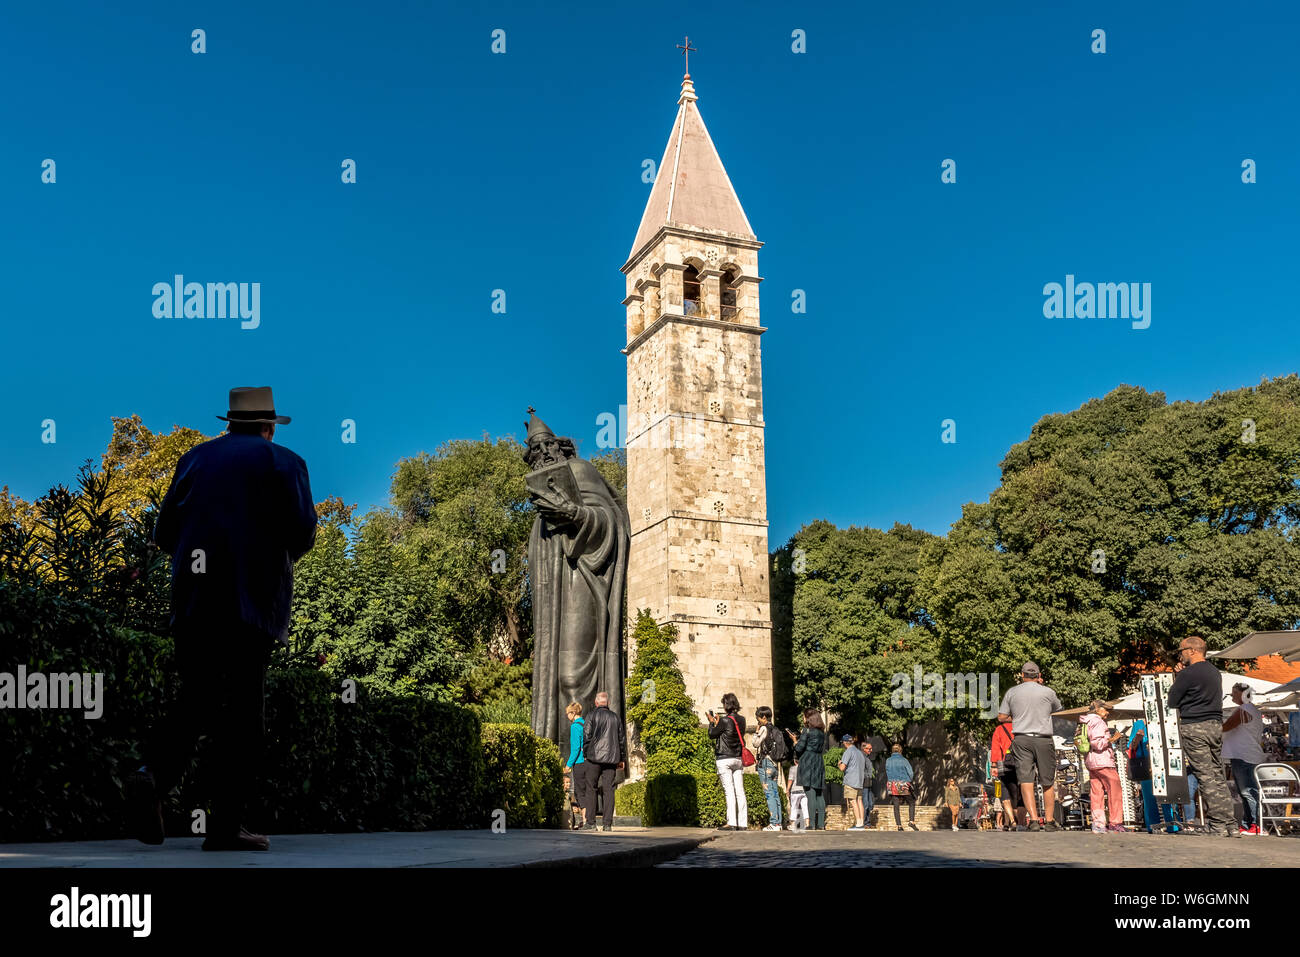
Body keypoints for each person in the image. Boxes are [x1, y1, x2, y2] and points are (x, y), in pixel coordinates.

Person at [126, 386, 317, 852]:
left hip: (195, 604)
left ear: (229, 423)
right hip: (253, 605)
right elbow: (303, 534)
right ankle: (225, 828)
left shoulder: (194, 459)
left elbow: (164, 531)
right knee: (244, 718)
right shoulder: (286, 463)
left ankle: (151, 776)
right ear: (269, 427)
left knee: (196, 701)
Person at [1166, 636, 1239, 838]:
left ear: (1192, 650)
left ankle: (1216, 824)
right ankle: (1230, 824)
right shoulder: (1214, 672)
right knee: (1217, 774)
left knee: (1205, 775)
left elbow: (1172, 700)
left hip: (1194, 726)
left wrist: (1180, 677)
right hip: (1215, 725)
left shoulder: (1188, 673)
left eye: (1181, 651)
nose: (1180, 655)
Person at [997, 661, 1063, 832]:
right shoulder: (1048, 692)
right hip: (1043, 738)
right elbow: (1057, 709)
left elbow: (1002, 717)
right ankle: (1049, 820)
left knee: (1026, 780)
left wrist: (1018, 719)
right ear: (1039, 675)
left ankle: (1033, 820)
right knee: (1047, 779)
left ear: (1022, 675)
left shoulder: (1012, 692)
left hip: (1021, 739)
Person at [1222, 682, 1265, 836]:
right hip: (1247, 754)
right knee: (1247, 791)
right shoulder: (1252, 709)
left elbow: (1226, 726)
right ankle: (1249, 824)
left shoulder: (1244, 710)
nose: (1232, 696)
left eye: (1234, 693)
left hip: (1243, 755)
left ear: (1243, 694)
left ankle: (1255, 824)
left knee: (1247, 791)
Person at [581, 690, 626, 831]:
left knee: (591, 788)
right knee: (609, 790)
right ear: (607, 703)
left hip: (593, 757)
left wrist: (586, 753)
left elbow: (587, 735)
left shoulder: (591, 715)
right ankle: (607, 824)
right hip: (611, 758)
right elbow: (621, 740)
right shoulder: (615, 717)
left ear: (596, 702)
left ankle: (591, 823)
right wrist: (622, 758)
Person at [1079, 701, 1125, 833]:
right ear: (1098, 710)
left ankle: (1098, 824)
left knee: (1096, 793)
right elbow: (1098, 743)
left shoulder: (1085, 721)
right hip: (1103, 761)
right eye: (1105, 709)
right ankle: (1115, 822)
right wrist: (1112, 739)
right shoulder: (1098, 722)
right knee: (1114, 790)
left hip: (1091, 762)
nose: (1107, 712)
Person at [707, 693, 748, 831]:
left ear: (726, 705)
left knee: (729, 791)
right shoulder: (742, 720)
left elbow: (712, 734)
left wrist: (712, 722)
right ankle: (743, 823)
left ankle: (732, 822)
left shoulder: (725, 721)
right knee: (740, 791)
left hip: (724, 758)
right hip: (738, 758)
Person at [793, 709, 827, 830]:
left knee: (810, 792)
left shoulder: (806, 731)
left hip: (807, 760)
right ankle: (821, 824)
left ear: (809, 718)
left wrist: (795, 742)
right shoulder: (821, 732)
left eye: (804, 716)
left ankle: (812, 824)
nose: (803, 718)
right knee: (819, 793)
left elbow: (799, 748)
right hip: (818, 760)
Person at [988, 719, 1023, 830]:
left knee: (1005, 793)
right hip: (1020, 762)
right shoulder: (1021, 726)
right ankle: (1020, 822)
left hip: (1003, 763)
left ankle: (1012, 821)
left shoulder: (999, 730)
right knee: (1018, 792)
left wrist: (993, 765)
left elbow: (995, 748)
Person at [753, 706, 784, 832]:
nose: (758, 721)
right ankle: (778, 822)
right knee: (775, 793)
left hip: (766, 763)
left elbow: (755, 743)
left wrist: (756, 732)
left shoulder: (764, 729)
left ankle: (773, 823)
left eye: (758, 718)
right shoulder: (775, 729)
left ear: (764, 717)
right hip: (775, 764)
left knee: (769, 793)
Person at [1127, 714, 1159, 833]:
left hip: (1163, 763)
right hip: (1146, 765)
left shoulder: (1164, 720)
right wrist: (1137, 738)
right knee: (1149, 798)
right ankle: (1153, 826)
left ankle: (1172, 825)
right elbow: (1131, 747)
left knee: (1168, 797)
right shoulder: (1139, 724)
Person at [563, 701, 586, 829]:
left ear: (573, 713)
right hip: (589, 761)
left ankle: (585, 819)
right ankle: (587, 819)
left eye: (568, 713)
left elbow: (576, 748)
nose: (567, 716)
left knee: (579, 791)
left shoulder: (575, 726)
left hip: (579, 762)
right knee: (587, 791)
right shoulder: (586, 723)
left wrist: (568, 765)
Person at [886, 744, 917, 831]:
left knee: (896, 805)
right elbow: (910, 773)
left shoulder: (888, 760)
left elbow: (887, 772)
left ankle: (899, 825)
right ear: (900, 750)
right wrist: (908, 781)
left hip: (892, 784)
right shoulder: (904, 760)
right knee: (911, 802)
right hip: (903, 783)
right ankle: (911, 821)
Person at [839, 734, 867, 830]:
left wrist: (839, 763)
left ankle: (858, 824)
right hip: (859, 780)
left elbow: (842, 768)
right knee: (859, 801)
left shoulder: (848, 752)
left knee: (853, 801)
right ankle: (861, 823)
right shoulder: (859, 753)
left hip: (851, 780)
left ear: (845, 742)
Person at [786, 750, 809, 831]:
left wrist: (787, 789)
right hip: (804, 791)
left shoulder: (793, 768)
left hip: (795, 791)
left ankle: (793, 824)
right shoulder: (806, 768)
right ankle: (807, 823)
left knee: (794, 808)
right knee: (805, 807)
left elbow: (790, 780)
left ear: (795, 761)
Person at [859, 739, 876, 824]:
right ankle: (864, 822)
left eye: (871, 748)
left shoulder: (867, 758)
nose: (871, 750)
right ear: (864, 749)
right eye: (869, 749)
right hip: (864, 783)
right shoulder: (861, 757)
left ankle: (867, 821)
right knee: (865, 803)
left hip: (868, 783)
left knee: (870, 803)